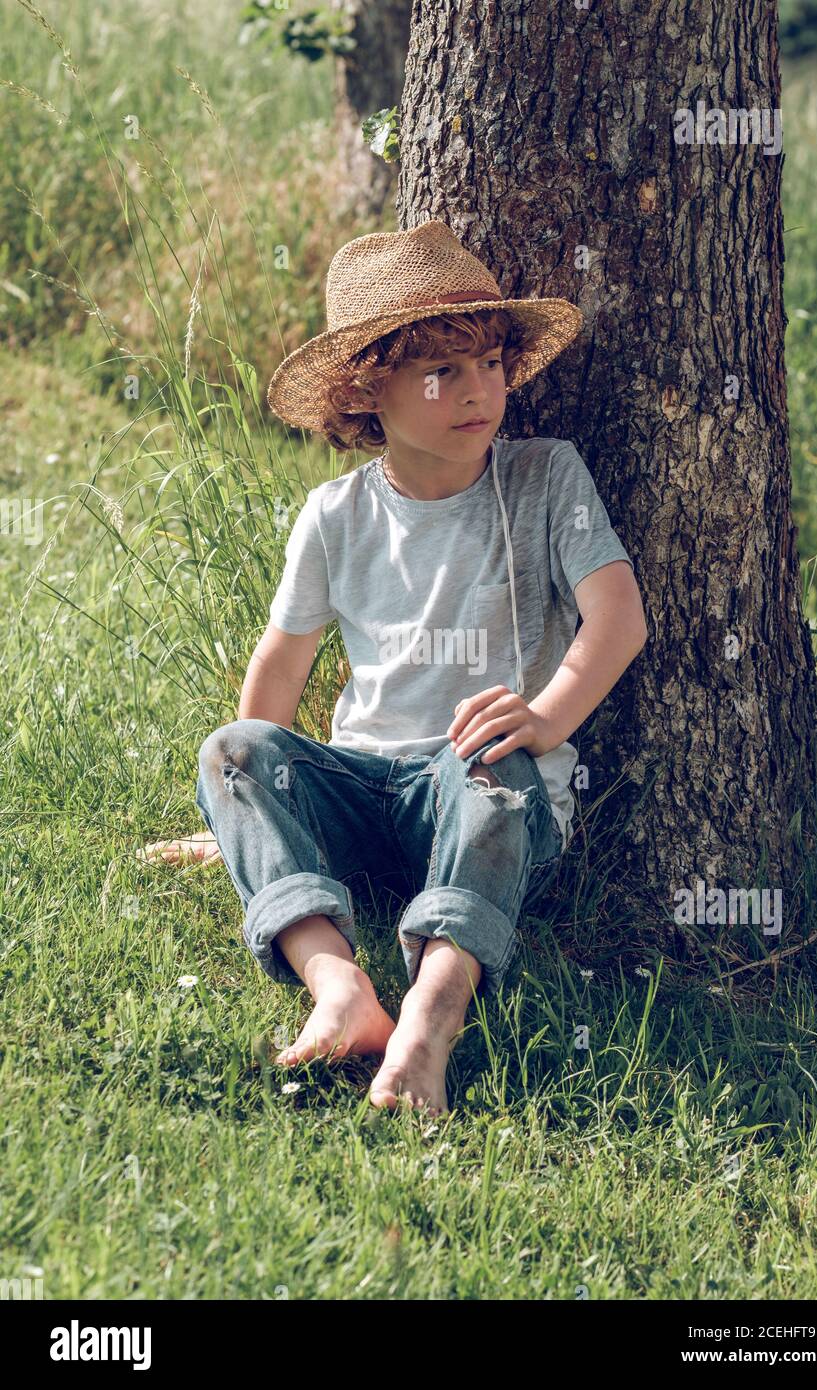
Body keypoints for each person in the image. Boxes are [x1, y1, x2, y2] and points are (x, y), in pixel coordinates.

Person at [140, 220, 648, 1116]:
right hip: (367, 784)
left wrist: (549, 715)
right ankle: (338, 985)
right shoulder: (335, 515)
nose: (478, 390)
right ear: (369, 388)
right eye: (440, 372)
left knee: (491, 774)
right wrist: (248, 815)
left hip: (478, 783)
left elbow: (618, 614)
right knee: (231, 751)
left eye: (489, 362)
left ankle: (431, 1013)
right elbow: (281, 668)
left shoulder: (544, 477)